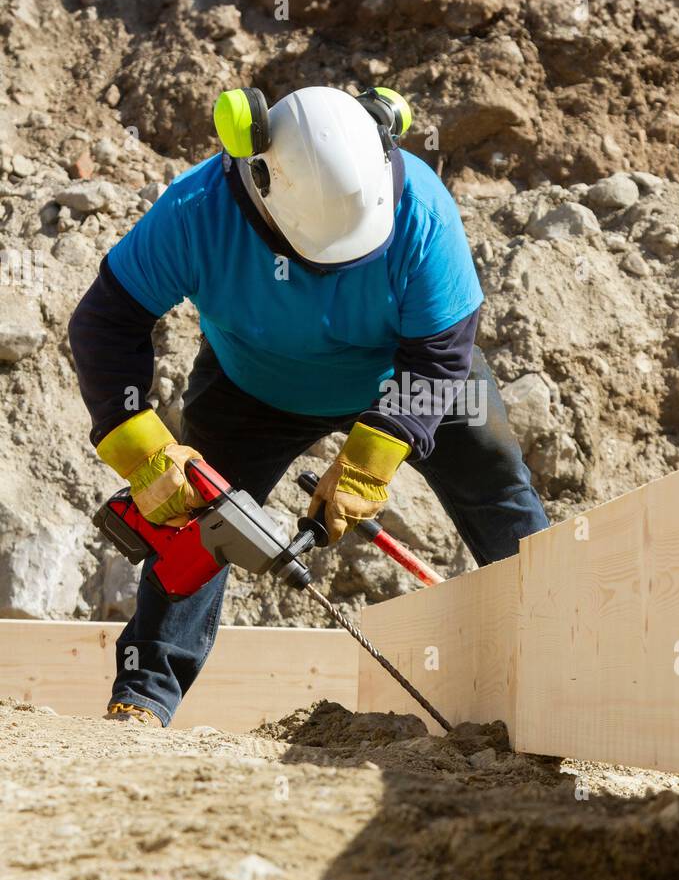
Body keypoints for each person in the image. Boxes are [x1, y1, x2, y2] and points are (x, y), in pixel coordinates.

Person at [69, 84, 549, 726]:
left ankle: (561, 644)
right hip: (254, 385)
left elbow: (439, 358)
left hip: (401, 374)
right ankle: (144, 696)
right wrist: (144, 453)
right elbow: (106, 322)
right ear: (262, 189)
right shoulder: (198, 209)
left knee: (495, 478)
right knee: (190, 523)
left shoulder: (423, 210)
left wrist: (368, 464)